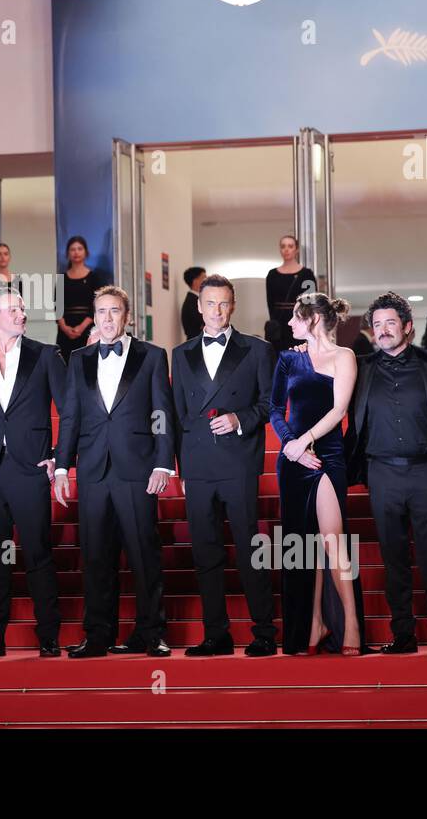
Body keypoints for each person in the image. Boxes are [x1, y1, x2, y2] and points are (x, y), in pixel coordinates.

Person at [53, 286, 175, 659]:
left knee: (143, 554)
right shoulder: (78, 358)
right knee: (95, 556)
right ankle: (98, 636)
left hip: (137, 467)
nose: (107, 319)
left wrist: (162, 462)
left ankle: (150, 633)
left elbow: (162, 413)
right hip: (92, 470)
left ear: (126, 316)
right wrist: (61, 467)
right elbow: (70, 416)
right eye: (101, 312)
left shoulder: (152, 356)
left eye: (114, 311)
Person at [344, 292, 427, 653]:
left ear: (408, 326)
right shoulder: (358, 367)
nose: (383, 330)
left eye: (390, 323)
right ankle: (403, 634)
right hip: (381, 473)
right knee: (393, 557)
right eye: (377, 325)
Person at [171, 275, 277, 656]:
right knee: (206, 552)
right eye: (209, 303)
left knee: (250, 549)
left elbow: (269, 405)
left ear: (233, 306)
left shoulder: (257, 350)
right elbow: (179, 414)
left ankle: (264, 633)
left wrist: (239, 419)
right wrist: (181, 469)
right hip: (198, 465)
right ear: (198, 307)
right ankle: (217, 634)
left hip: (239, 462)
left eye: (223, 303)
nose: (216, 311)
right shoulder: (180, 354)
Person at [0, 287, 67, 659]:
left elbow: (69, 412)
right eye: (12, 309)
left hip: (31, 469)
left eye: (22, 308)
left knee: (38, 554)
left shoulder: (46, 355)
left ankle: (49, 636)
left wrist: (59, 457)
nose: (21, 314)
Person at [271, 293, 366, 655]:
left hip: (327, 455)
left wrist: (307, 442)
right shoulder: (288, 358)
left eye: (296, 318)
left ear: (312, 320)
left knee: (331, 541)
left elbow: (339, 408)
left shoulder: (345, 357)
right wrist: (292, 445)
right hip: (294, 458)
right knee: (302, 547)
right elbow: (276, 410)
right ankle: (314, 624)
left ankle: (351, 623)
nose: (291, 325)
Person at [265, 235, 317, 353]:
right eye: (283, 246)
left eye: (290, 246)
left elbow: (310, 302)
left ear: (296, 250)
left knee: (299, 355)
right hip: (278, 323)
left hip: (300, 319)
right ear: (280, 249)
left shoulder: (307, 274)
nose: (286, 249)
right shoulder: (272, 274)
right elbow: (270, 302)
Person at [55, 236, 102, 363]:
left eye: (79, 249)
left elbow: (96, 305)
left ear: (86, 252)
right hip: (65, 330)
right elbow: (57, 306)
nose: (76, 252)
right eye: (72, 249)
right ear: (67, 254)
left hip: (87, 327)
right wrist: (65, 327)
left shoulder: (94, 278)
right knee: (64, 365)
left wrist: (81, 328)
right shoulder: (61, 278)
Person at [180, 267, 206, 340]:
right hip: (196, 345)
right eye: (204, 278)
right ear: (195, 281)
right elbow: (203, 323)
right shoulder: (191, 302)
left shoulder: (197, 299)